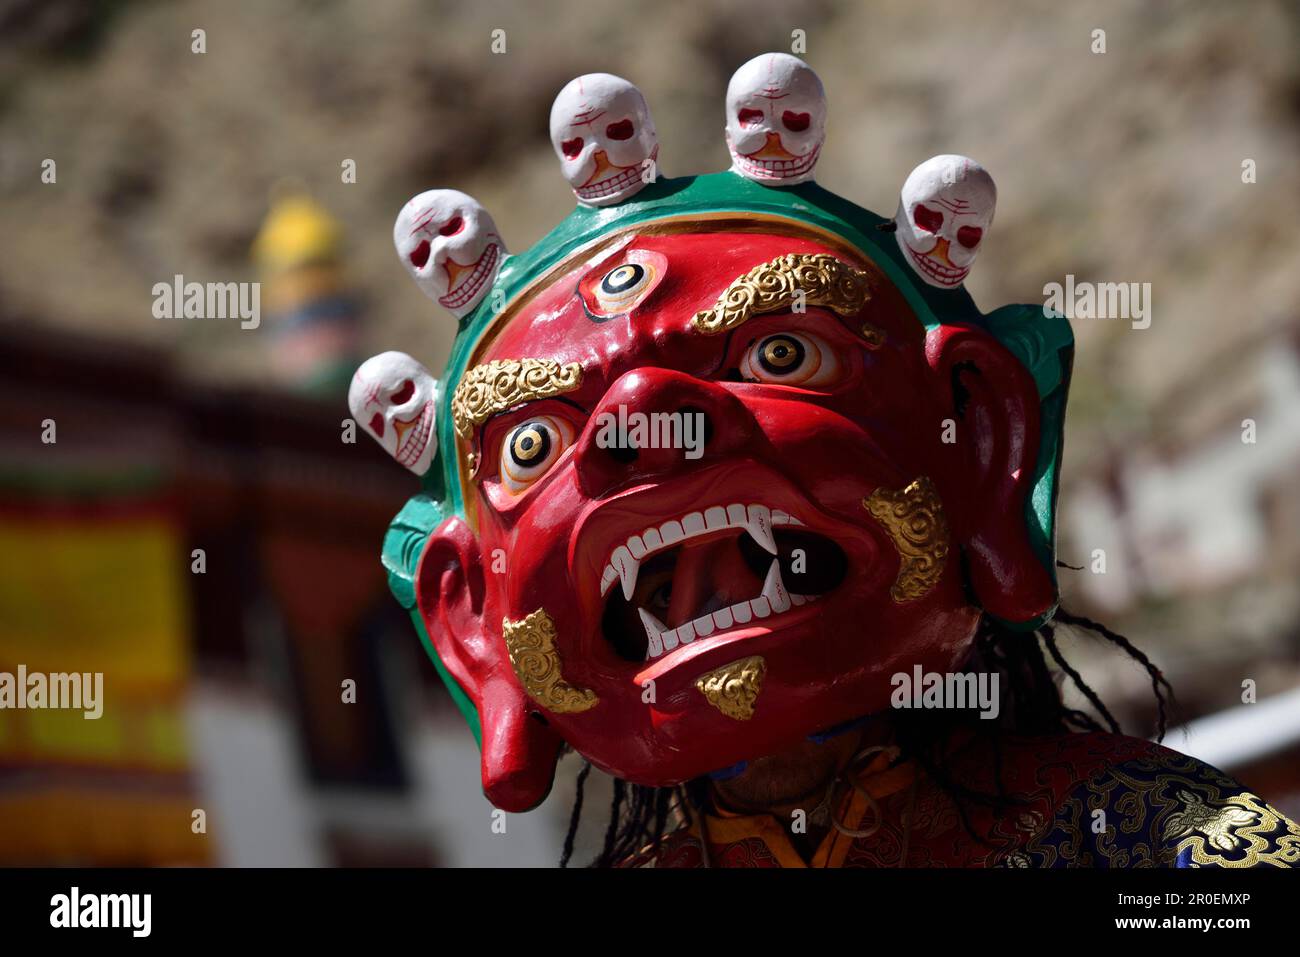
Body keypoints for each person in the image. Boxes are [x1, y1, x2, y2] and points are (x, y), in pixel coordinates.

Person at [351, 56, 1300, 868]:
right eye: (534, 444)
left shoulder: (1146, 842)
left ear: (978, 440)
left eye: (780, 355)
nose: (641, 422)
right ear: (471, 620)